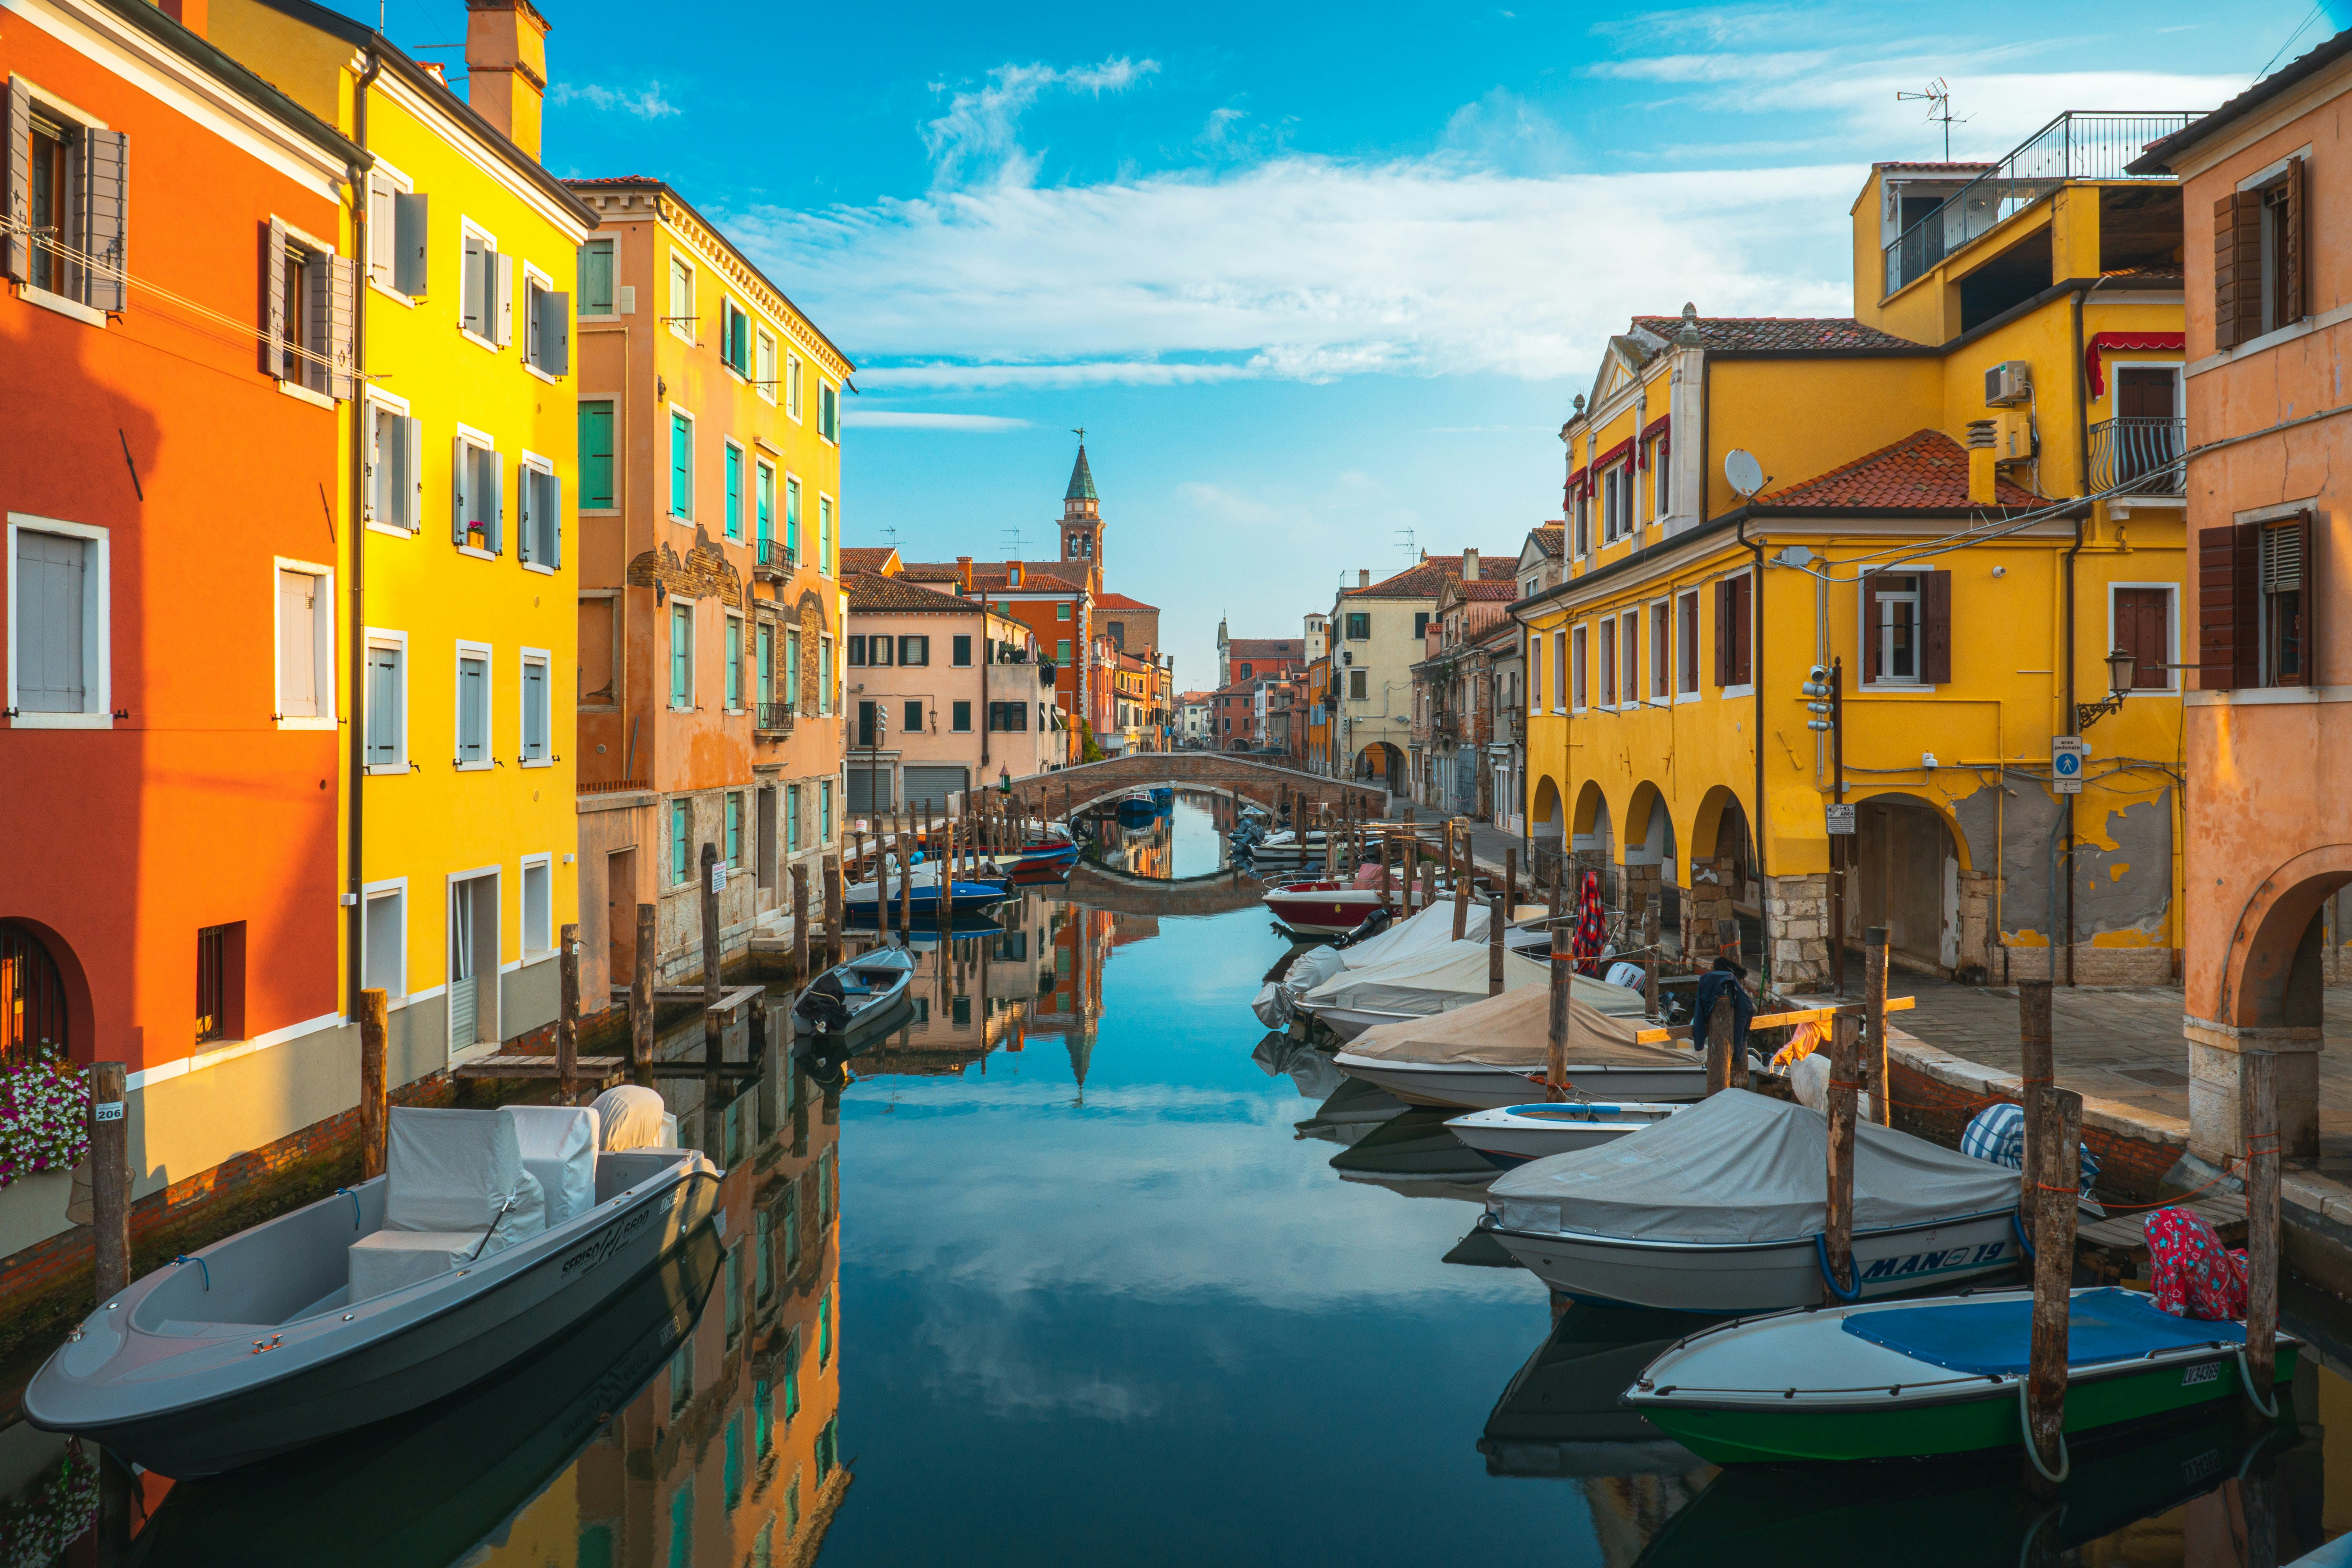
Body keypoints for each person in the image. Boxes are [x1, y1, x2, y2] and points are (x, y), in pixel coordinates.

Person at [1690, 956, 1753, 1060]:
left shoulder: (1707, 983)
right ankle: (1737, 1056)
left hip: (1718, 1045)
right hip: (1728, 1040)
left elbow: (1699, 1016)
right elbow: (1744, 1026)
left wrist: (1699, 1045)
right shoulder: (1740, 995)